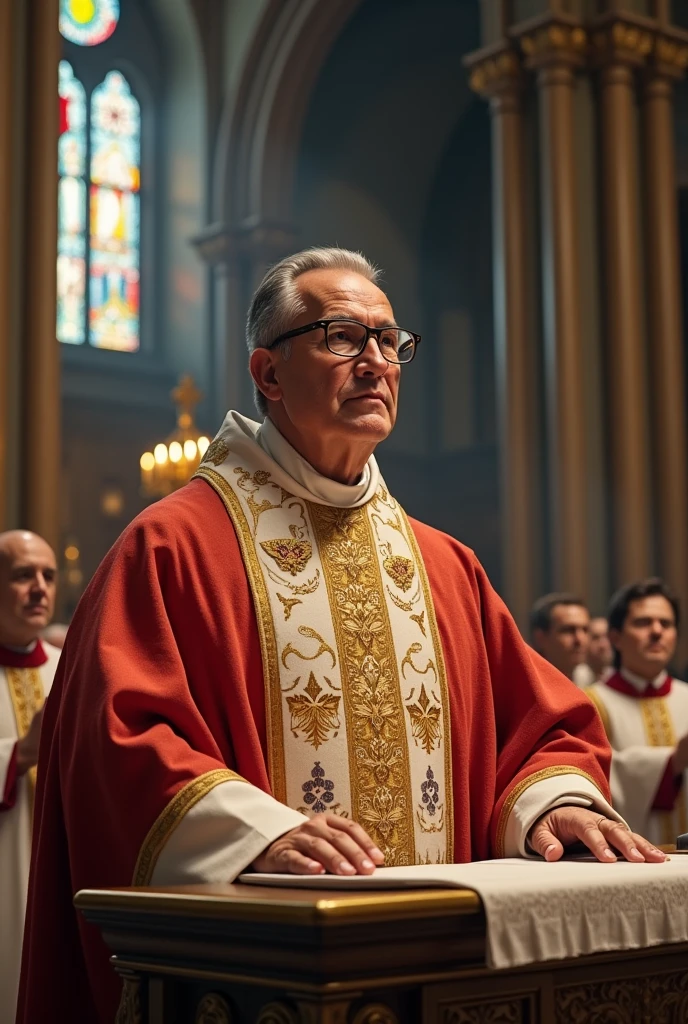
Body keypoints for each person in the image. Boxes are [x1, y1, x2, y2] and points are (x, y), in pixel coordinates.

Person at [18, 248, 663, 1024]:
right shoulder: (175, 546)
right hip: (266, 974)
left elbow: (539, 726)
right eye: (343, 337)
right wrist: (252, 837)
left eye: (389, 341)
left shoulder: (443, 565)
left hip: (442, 971)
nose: (377, 363)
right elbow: (113, 740)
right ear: (268, 373)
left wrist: (548, 807)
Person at [0, 531, 60, 1022]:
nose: (40, 587)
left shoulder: (72, 670)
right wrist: (20, 754)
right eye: (23, 575)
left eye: (48, 576)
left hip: (59, 878)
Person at [586, 577, 688, 845]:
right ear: (615, 637)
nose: (657, 631)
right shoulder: (591, 704)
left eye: (666, 624)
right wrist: (673, 762)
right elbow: (594, 784)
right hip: (626, 858)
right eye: (643, 623)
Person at [530, 593, 591, 682]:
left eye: (585, 630)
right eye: (568, 630)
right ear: (540, 638)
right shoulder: (526, 685)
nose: (580, 639)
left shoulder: (592, 686)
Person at [573, 616, 614, 689]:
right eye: (595, 638)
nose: (603, 645)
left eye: (608, 637)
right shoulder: (575, 677)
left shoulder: (619, 676)